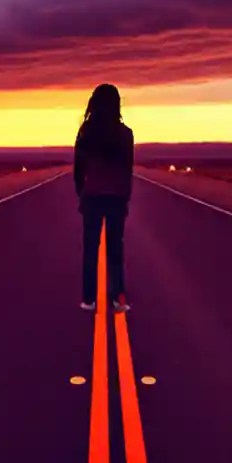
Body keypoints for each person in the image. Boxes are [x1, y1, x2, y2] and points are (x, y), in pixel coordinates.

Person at [74, 83, 134, 313]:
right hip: (116, 196)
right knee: (115, 249)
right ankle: (118, 299)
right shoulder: (125, 134)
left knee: (91, 249)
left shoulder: (86, 132)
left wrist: (81, 191)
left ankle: (89, 299)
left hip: (92, 196)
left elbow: (78, 168)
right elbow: (127, 169)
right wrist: (125, 195)